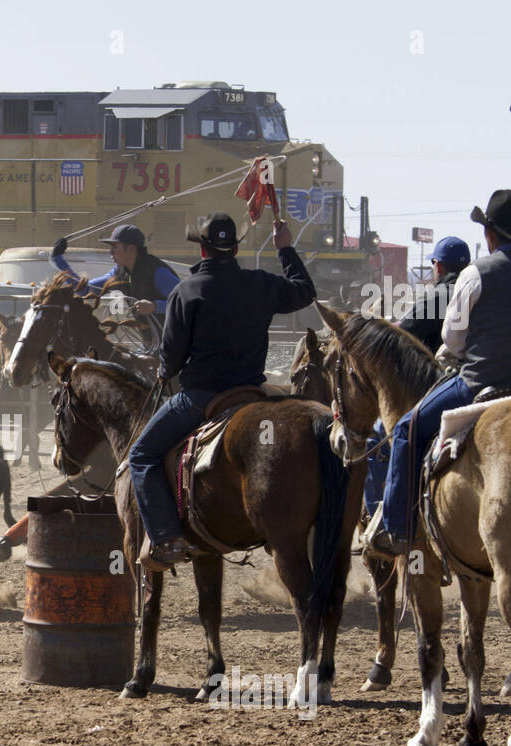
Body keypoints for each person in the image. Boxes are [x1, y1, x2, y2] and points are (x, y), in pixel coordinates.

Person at [364, 189, 511, 556]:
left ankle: (398, 529)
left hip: (480, 383)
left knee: (407, 430)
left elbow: (453, 340)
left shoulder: (477, 274)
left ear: (490, 235)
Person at [130, 212, 316, 567]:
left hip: (200, 398)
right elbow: (305, 292)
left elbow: (171, 357)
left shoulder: (186, 291)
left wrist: (165, 371)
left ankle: (167, 539)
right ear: (234, 248)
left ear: (202, 250)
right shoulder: (260, 284)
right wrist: (285, 248)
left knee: (141, 456)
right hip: (252, 392)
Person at [362, 235, 472, 514]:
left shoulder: (438, 296)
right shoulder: (478, 290)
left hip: (442, 383)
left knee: (379, 439)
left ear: (438, 266)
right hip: (493, 377)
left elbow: (403, 337)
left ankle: (383, 518)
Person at [50, 223, 179, 333]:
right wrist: (58, 260)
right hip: (150, 343)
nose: (110, 253)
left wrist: (155, 306)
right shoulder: (119, 273)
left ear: (131, 249)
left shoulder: (157, 272)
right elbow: (85, 290)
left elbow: (186, 303)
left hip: (175, 344)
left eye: (115, 247)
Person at [396, 235, 470, 354]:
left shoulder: (435, 298)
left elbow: (400, 337)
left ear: (438, 267)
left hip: (440, 370)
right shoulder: (479, 293)